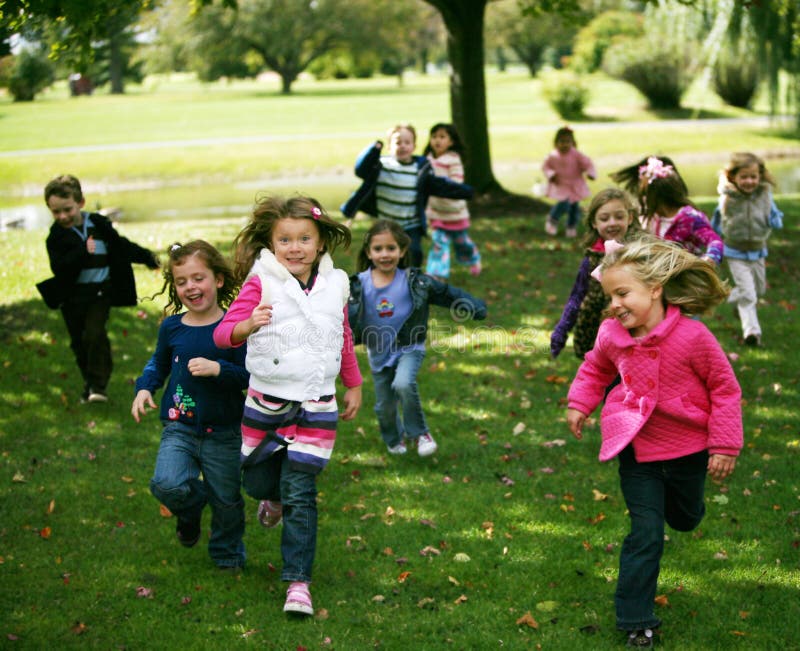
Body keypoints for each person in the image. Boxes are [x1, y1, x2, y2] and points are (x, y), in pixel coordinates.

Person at [565, 237, 743, 648]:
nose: (615, 305)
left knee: (685, 518)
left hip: (688, 449)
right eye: (610, 296)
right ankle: (635, 619)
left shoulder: (693, 337)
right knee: (645, 533)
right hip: (638, 450)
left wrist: (724, 445)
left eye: (623, 293)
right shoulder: (611, 333)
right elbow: (594, 369)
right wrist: (579, 404)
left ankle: (683, 508)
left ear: (655, 289)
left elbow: (725, 388)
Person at [213, 195, 362, 616]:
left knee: (302, 493)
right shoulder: (262, 281)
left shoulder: (336, 284)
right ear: (272, 243)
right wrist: (247, 324)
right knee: (259, 483)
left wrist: (353, 382)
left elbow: (342, 335)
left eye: (304, 239)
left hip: (316, 404)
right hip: (268, 402)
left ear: (320, 243)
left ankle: (298, 583)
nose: (294, 248)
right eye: (285, 240)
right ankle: (271, 499)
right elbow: (223, 335)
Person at [131, 241, 248, 570]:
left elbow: (251, 377)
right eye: (182, 282)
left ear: (218, 280)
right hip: (179, 425)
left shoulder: (234, 329)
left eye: (198, 278)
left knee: (227, 500)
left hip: (224, 431)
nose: (190, 287)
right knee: (165, 483)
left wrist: (219, 369)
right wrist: (144, 388)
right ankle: (191, 508)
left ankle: (226, 553)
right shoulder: (172, 327)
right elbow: (159, 364)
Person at [348, 219, 487, 457]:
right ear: (369, 252)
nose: (385, 254)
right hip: (378, 351)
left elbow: (445, 293)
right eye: (378, 249)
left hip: (409, 346)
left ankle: (420, 433)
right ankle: (394, 438)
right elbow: (341, 313)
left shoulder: (415, 280)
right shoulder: (359, 284)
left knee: (403, 383)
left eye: (391, 248)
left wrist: (473, 306)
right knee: (385, 407)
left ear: (402, 251)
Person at [38, 174, 159, 403]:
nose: (62, 216)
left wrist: (149, 258)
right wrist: (83, 252)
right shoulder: (55, 238)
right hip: (72, 298)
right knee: (79, 343)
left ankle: (99, 386)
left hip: (100, 294)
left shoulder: (98, 224)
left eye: (67, 209)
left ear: (80, 203)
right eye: (56, 212)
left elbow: (121, 246)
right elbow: (60, 269)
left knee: (94, 334)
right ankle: (90, 383)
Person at [340, 123, 474, 267]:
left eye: (407, 142)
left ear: (414, 147)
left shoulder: (420, 168)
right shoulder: (381, 165)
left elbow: (440, 185)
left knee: (413, 253)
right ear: (389, 146)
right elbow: (360, 169)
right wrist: (374, 149)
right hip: (386, 223)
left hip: (411, 224)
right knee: (380, 255)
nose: (403, 146)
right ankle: (377, 282)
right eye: (398, 142)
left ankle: (412, 282)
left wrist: (465, 191)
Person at [550, 188, 640, 359]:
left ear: (630, 218)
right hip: (594, 335)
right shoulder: (591, 258)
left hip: (630, 333)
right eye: (604, 218)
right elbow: (577, 296)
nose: (612, 223)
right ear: (594, 223)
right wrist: (562, 330)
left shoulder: (638, 254)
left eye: (619, 217)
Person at [711, 152, 783, 347]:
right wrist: (713, 236)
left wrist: (775, 219)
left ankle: (734, 296)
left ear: (760, 177)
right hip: (735, 252)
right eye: (744, 177)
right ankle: (752, 333)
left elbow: (772, 210)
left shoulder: (764, 194)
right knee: (750, 295)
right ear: (733, 177)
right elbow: (718, 217)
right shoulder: (728, 196)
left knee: (758, 290)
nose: (749, 181)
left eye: (753, 177)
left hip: (758, 250)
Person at [634, 157, 724, 265]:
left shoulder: (690, 218)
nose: (643, 199)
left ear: (656, 198)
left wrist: (709, 260)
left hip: (688, 275)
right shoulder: (654, 219)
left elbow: (714, 241)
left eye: (645, 195)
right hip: (663, 275)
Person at [422, 122, 482, 280]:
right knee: (439, 242)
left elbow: (457, 183)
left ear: (451, 142)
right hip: (435, 212)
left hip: (455, 212)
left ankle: (473, 258)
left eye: (442, 137)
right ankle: (436, 274)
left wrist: (440, 185)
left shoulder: (453, 160)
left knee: (462, 243)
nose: (437, 140)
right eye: (434, 136)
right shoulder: (425, 161)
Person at [542, 126, 597, 238]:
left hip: (575, 185)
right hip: (561, 185)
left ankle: (571, 226)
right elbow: (545, 167)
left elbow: (587, 163)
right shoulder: (553, 156)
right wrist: (551, 175)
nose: (564, 144)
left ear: (573, 143)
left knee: (574, 208)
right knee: (563, 203)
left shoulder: (576, 155)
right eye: (561, 142)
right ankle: (552, 220)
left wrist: (590, 173)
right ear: (556, 143)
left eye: (567, 142)